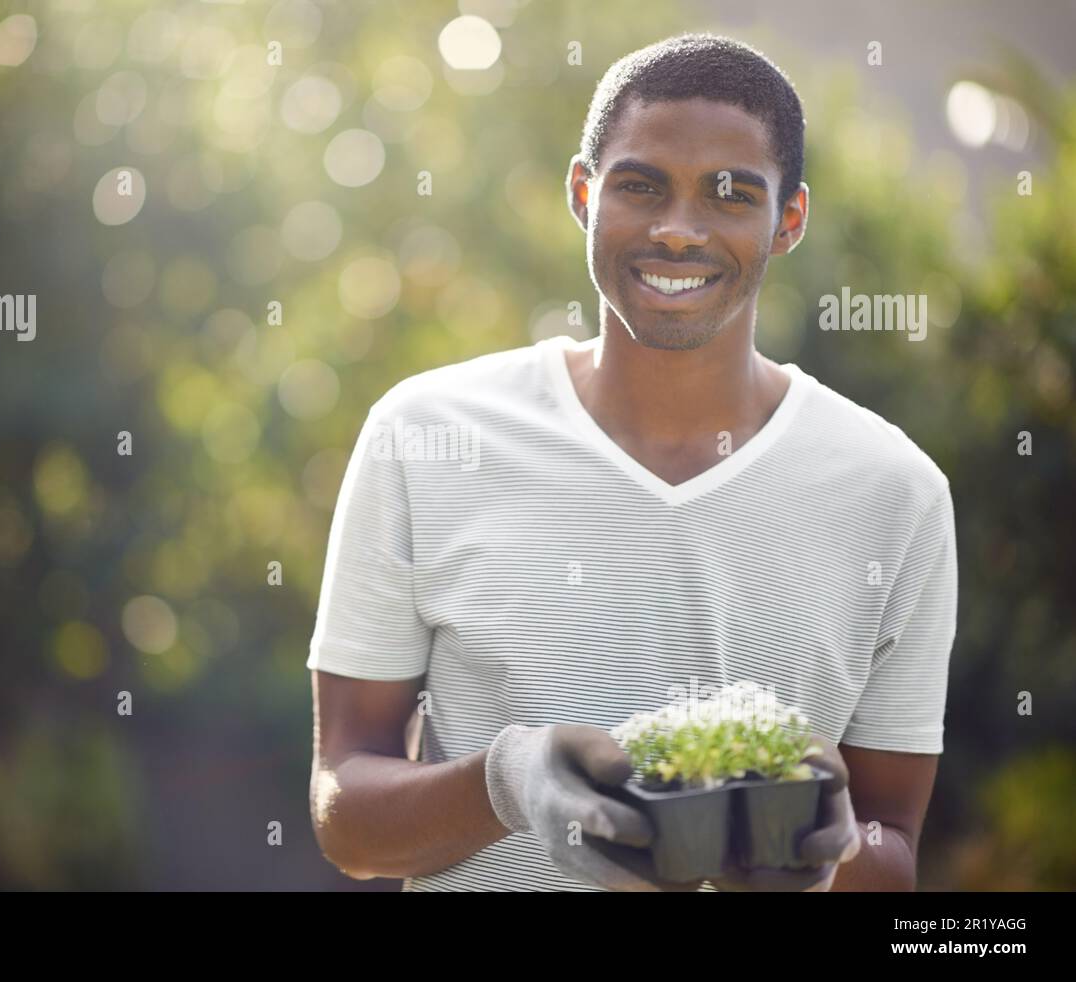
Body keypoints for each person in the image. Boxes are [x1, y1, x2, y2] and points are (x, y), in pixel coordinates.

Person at [306, 33, 957, 892]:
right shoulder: (425, 435)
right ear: (583, 193)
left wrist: (816, 861)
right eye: (641, 186)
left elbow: (894, 849)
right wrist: (505, 783)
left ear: (788, 219)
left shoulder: (896, 492)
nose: (677, 231)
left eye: (730, 195)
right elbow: (345, 814)